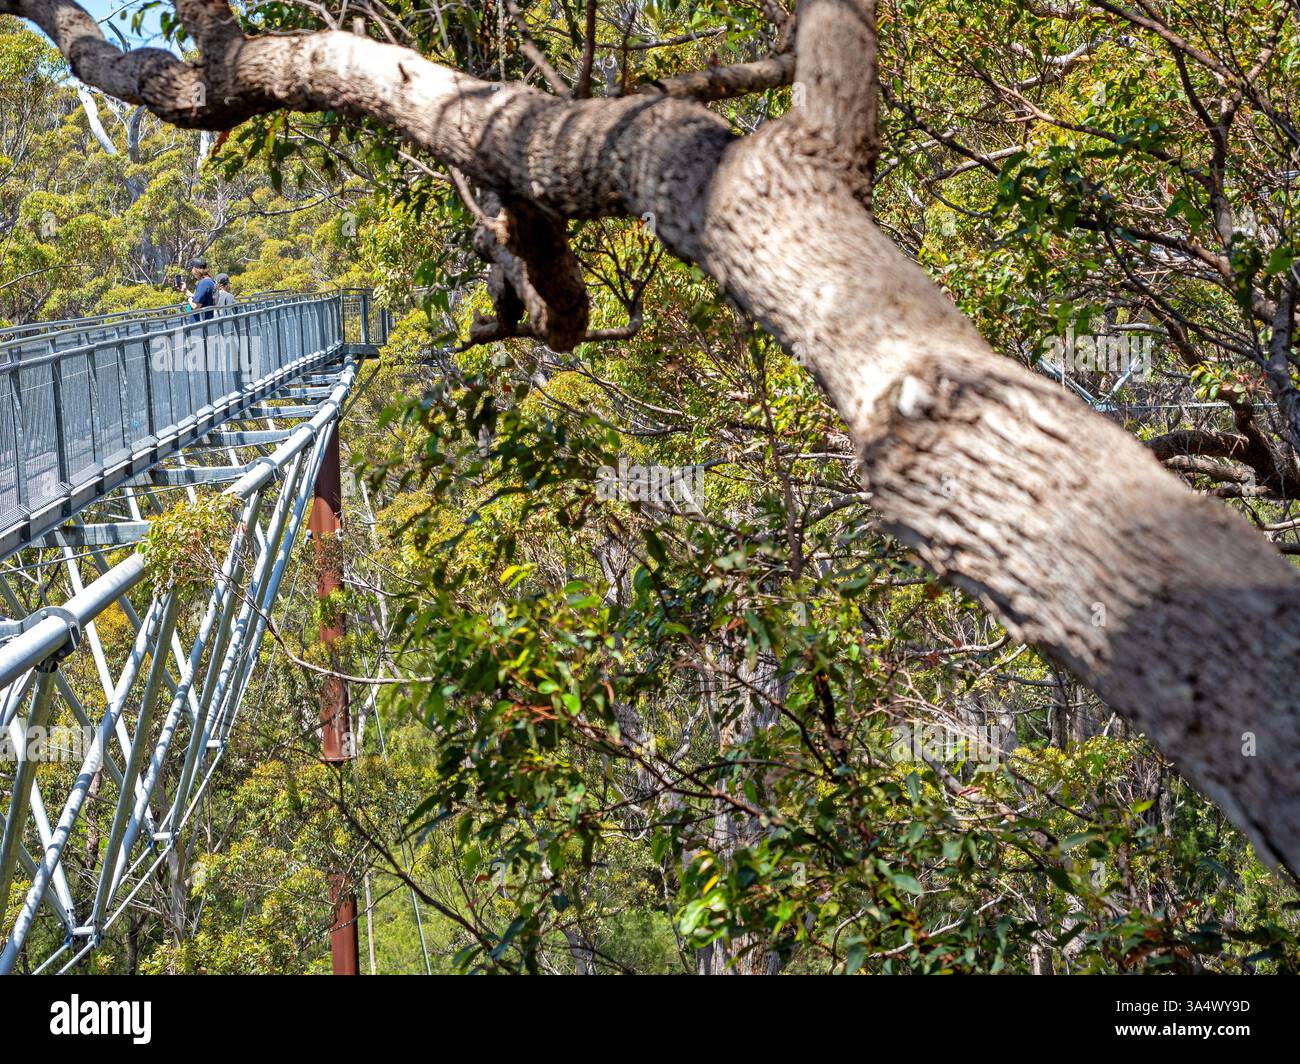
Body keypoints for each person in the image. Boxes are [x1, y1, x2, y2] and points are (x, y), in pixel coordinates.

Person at [182, 258, 216, 323]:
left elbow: (195, 306)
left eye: (192, 269)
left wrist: (189, 299)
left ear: (196, 270)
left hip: (200, 326)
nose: (192, 272)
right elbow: (200, 299)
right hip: (208, 322)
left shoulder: (203, 283)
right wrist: (185, 291)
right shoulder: (211, 281)